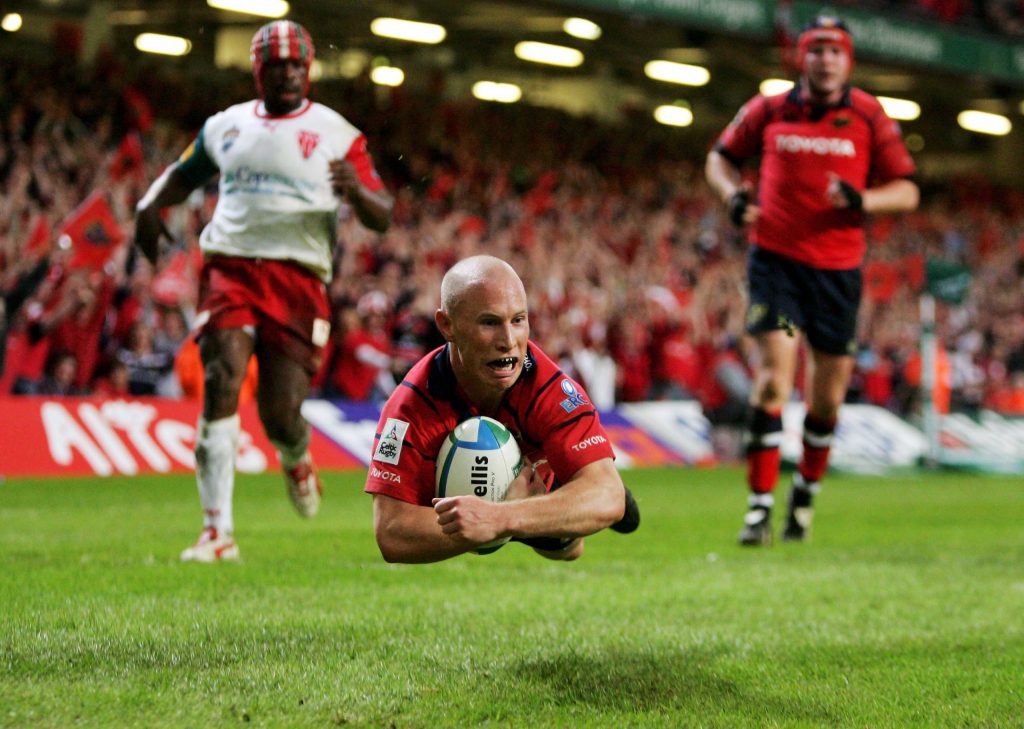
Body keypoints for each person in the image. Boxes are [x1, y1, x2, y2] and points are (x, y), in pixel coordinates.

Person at [134, 20, 393, 562]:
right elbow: (183, 174)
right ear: (258, 71)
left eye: (298, 65)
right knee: (222, 376)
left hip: (299, 279)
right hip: (230, 267)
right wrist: (150, 203)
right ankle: (217, 532)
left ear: (309, 70)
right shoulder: (226, 127)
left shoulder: (337, 133)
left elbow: (382, 213)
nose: (289, 74)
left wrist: (357, 192)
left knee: (280, 412)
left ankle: (295, 456)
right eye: (278, 66)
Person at [705, 15, 919, 545]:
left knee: (826, 400)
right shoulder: (770, 108)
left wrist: (862, 199)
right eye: (816, 50)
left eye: (835, 51)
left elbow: (908, 190)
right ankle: (758, 509)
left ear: (848, 60)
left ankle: (802, 498)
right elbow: (719, 158)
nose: (825, 60)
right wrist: (732, 198)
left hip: (837, 276)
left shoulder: (869, 115)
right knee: (773, 379)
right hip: (777, 268)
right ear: (802, 57)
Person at [364, 255, 640, 563]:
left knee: (568, 549)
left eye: (518, 320)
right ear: (446, 325)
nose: (509, 341)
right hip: (501, 497)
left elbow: (608, 496)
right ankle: (544, 509)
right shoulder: (409, 407)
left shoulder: (550, 388)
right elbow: (392, 532)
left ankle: (556, 493)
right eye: (490, 323)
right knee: (561, 536)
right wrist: (500, 519)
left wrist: (500, 517)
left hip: (534, 479)